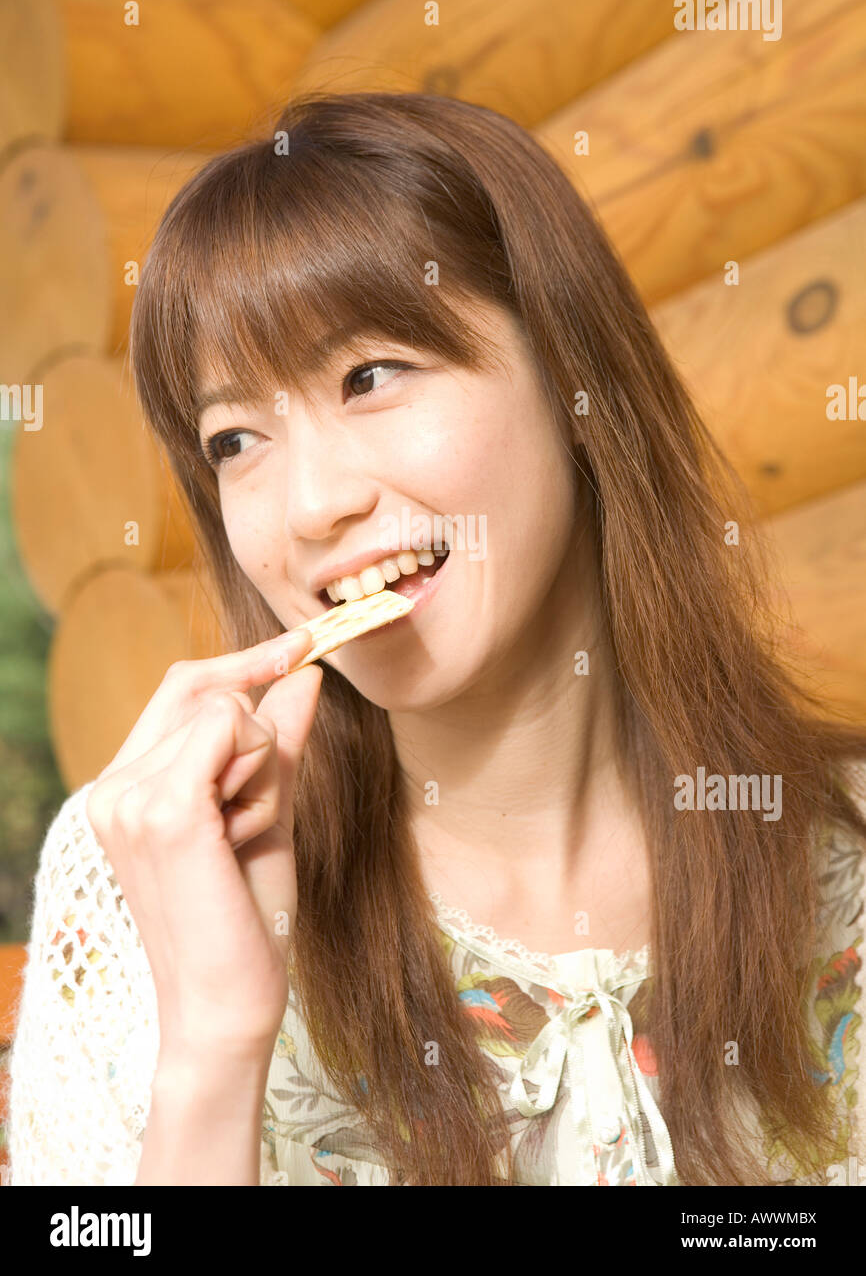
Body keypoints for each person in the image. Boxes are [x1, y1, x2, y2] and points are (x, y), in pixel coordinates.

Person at [6, 91, 866, 1187]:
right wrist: (212, 1051)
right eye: (234, 439)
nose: (309, 506)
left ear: (569, 379)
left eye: (369, 376)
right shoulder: (138, 887)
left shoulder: (839, 848)